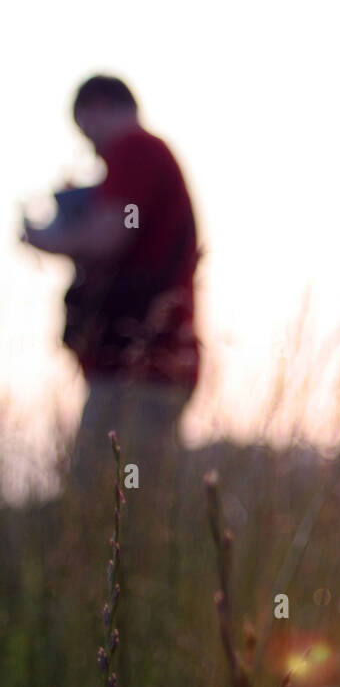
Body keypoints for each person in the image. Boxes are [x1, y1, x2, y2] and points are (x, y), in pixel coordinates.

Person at [21, 75, 202, 487]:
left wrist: (43, 237)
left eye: (85, 129)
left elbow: (109, 238)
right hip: (143, 366)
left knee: (105, 496)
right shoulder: (145, 155)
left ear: (96, 108)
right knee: (129, 494)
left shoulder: (136, 150)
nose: (91, 147)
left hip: (139, 369)